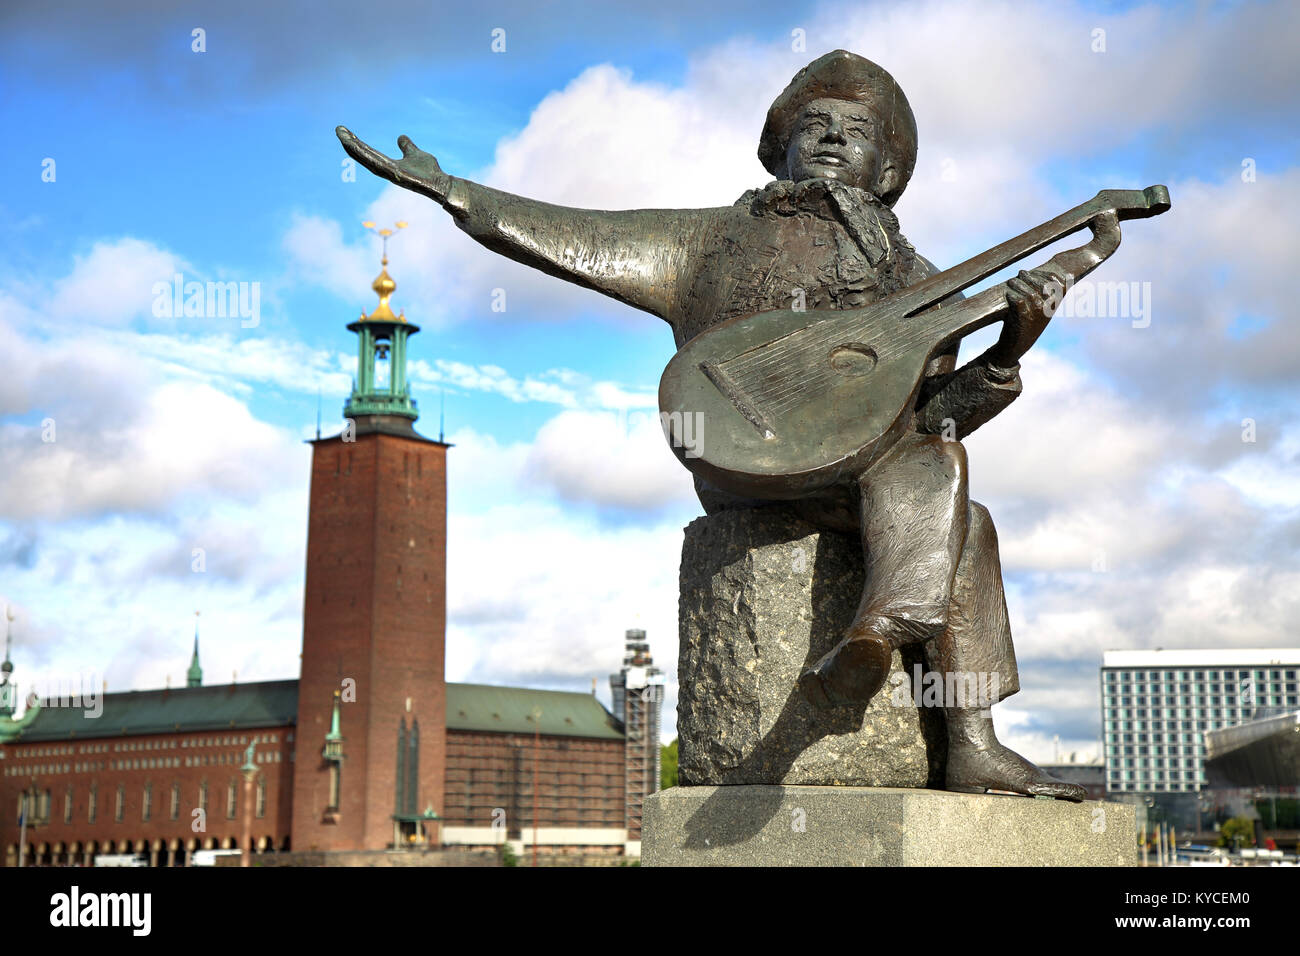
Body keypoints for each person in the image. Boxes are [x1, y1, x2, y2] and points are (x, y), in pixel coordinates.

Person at [339, 50, 1091, 799]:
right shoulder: (710, 241)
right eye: (813, 124)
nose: (831, 138)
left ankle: (954, 725)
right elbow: (574, 235)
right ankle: (901, 648)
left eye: (856, 132)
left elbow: (931, 422)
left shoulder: (920, 283)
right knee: (950, 500)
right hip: (742, 468)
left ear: (888, 172)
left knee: (961, 502)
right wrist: (456, 192)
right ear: (779, 147)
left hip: (858, 477)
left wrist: (1009, 348)